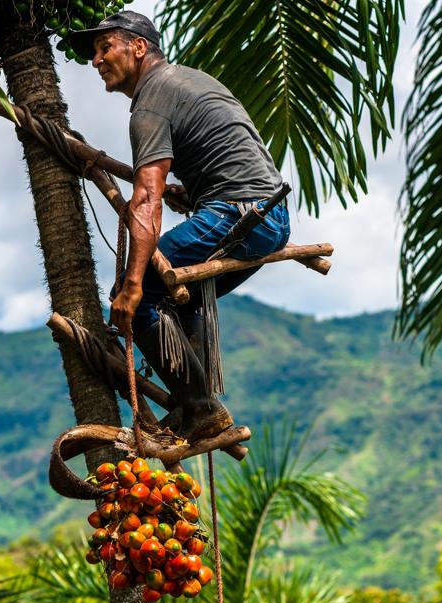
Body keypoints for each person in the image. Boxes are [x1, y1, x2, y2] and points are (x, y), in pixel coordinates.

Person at [69, 12, 290, 439]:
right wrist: (189, 191)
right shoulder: (188, 80)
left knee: (142, 292)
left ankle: (201, 408)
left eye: (105, 48)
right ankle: (195, 407)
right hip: (265, 212)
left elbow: (146, 198)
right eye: (94, 54)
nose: (96, 61)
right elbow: (226, 150)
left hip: (241, 213)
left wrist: (131, 285)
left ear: (137, 47)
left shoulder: (151, 101)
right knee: (177, 297)